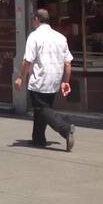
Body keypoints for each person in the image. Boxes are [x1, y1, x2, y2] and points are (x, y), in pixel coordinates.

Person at [14, 9, 76, 152]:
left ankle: (65, 129)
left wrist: (20, 77)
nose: (32, 22)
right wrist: (65, 81)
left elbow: (27, 61)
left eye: (33, 19)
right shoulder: (60, 37)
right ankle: (38, 138)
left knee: (41, 109)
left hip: (40, 79)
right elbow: (68, 63)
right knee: (42, 108)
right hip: (54, 79)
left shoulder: (34, 36)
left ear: (37, 19)